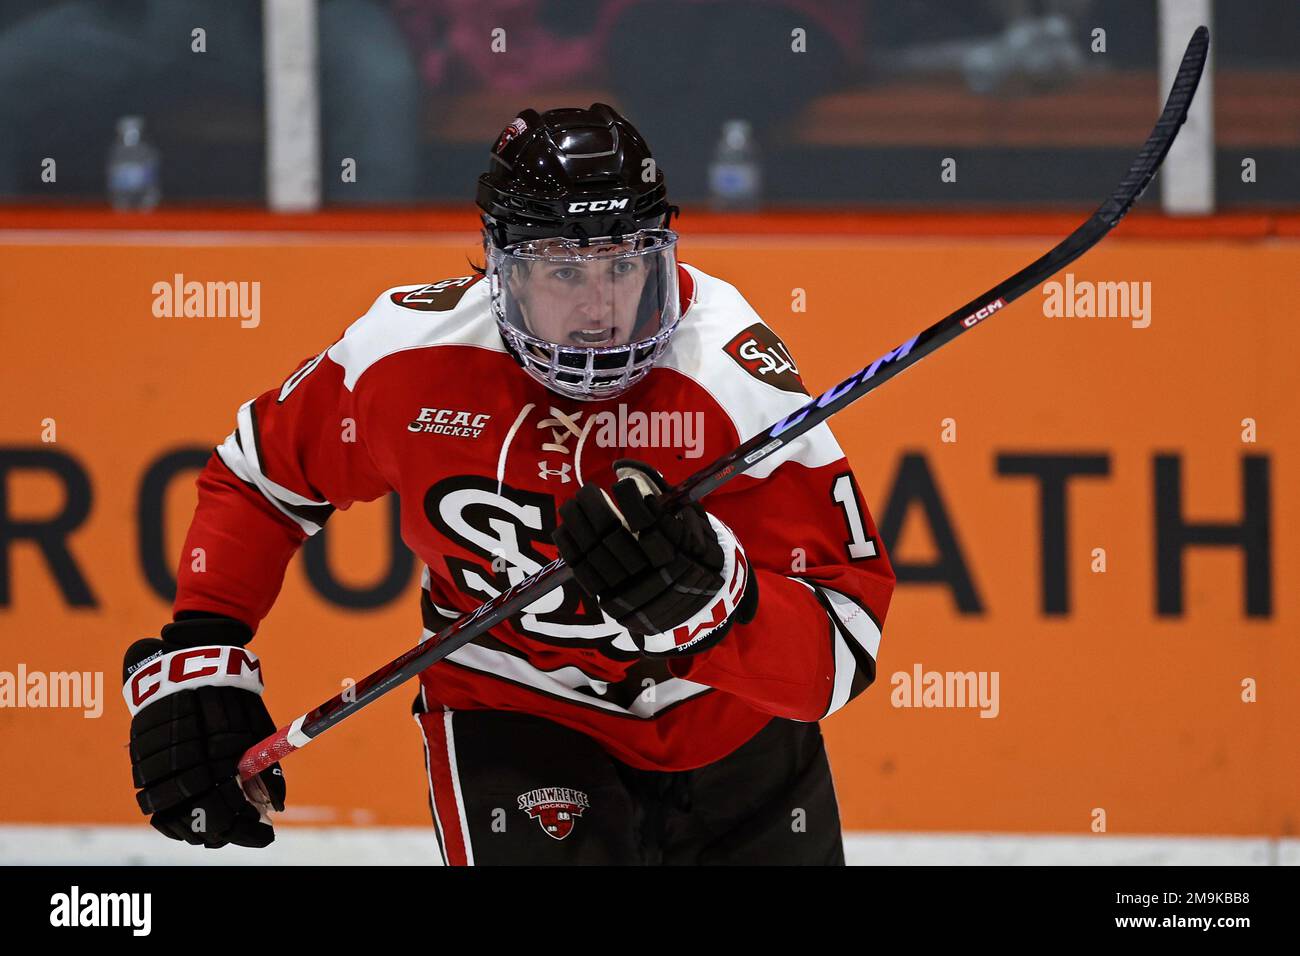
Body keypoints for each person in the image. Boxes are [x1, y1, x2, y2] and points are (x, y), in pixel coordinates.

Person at [121, 104, 896, 865]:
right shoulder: (406, 358)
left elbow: (843, 646)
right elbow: (261, 480)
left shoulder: (728, 371)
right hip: (512, 712)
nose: (601, 308)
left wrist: (724, 608)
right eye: (564, 269)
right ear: (501, 263)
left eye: (625, 264)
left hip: (734, 726)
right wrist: (206, 641)